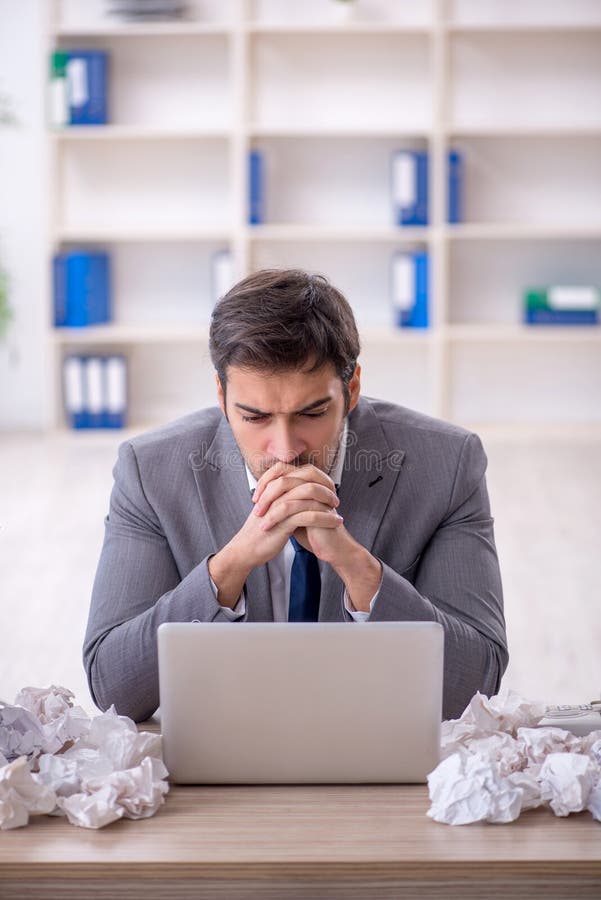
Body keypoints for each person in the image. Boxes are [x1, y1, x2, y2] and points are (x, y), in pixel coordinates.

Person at [83, 268, 508, 723]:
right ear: (222, 396)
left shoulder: (448, 464)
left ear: (351, 389)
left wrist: (358, 568)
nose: (285, 450)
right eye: (255, 417)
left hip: (376, 742)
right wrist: (229, 567)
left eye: (312, 413)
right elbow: (113, 687)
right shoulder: (149, 471)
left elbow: (476, 682)